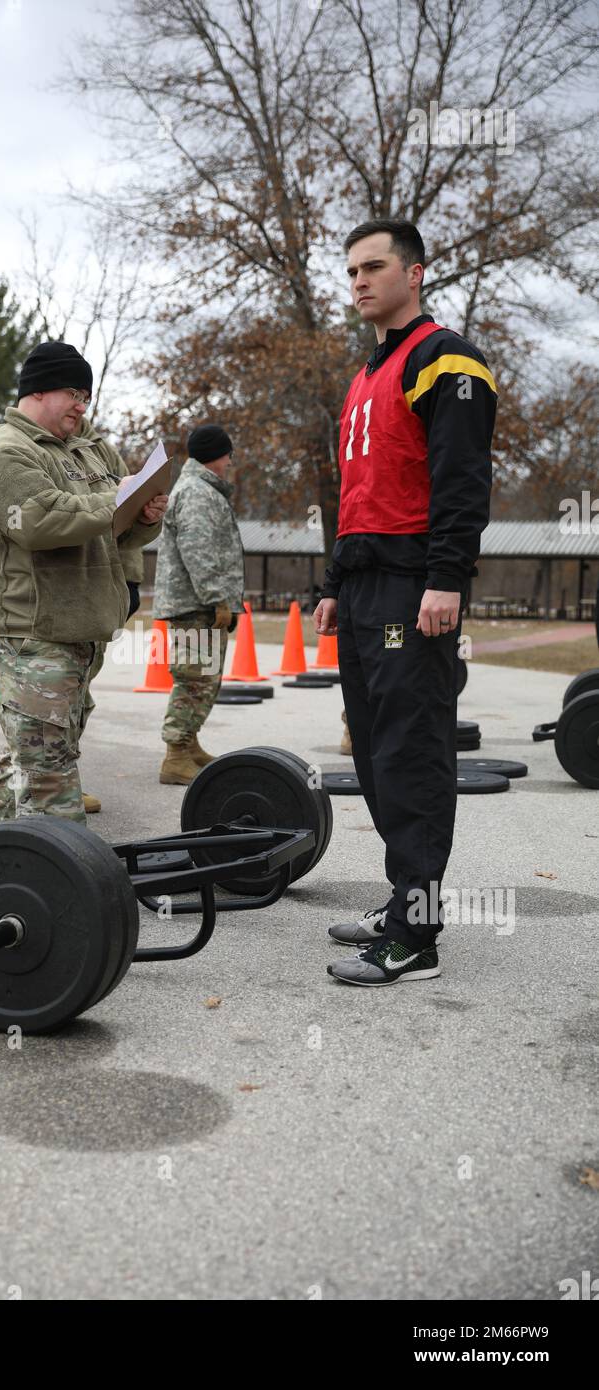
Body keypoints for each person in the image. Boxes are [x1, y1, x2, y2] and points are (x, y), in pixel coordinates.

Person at [316, 219, 496, 986]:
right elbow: (358, 493)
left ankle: (415, 939)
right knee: (373, 750)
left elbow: (460, 482)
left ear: (415, 274)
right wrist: (333, 584)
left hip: (412, 586)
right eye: (352, 269)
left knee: (410, 754)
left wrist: (446, 578)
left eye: (375, 267)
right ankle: (403, 905)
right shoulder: (366, 375)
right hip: (363, 586)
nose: (359, 280)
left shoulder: (445, 360)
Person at [0, 340, 166, 825]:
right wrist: (116, 499)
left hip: (79, 634)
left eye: (87, 396)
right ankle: (53, 892)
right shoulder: (4, 457)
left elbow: (116, 535)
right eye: (74, 392)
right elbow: (39, 522)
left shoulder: (93, 450)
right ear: (38, 390)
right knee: (50, 783)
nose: (82, 404)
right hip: (31, 639)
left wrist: (145, 515)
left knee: (29, 762)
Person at [153, 424, 244, 784]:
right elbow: (198, 549)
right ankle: (175, 755)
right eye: (227, 455)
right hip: (195, 607)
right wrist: (216, 598)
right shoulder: (197, 492)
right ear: (215, 456)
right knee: (194, 680)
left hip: (199, 605)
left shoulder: (203, 490)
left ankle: (188, 744)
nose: (230, 462)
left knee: (205, 679)